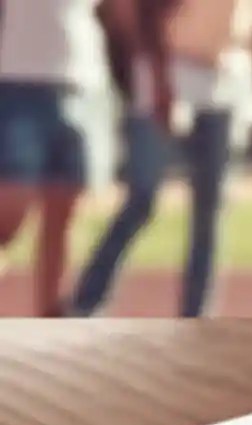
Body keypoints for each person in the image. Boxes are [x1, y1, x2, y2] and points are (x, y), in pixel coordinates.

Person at [69, 0, 252, 318]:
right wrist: (161, 83)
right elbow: (130, 13)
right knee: (141, 200)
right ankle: (85, 304)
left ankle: (197, 318)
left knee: (209, 212)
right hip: (165, 81)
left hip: (222, 86)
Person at [0, 0, 157, 317]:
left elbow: (122, 14)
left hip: (85, 87)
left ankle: (48, 323)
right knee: (9, 215)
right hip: (17, 83)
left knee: (63, 218)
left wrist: (147, 73)